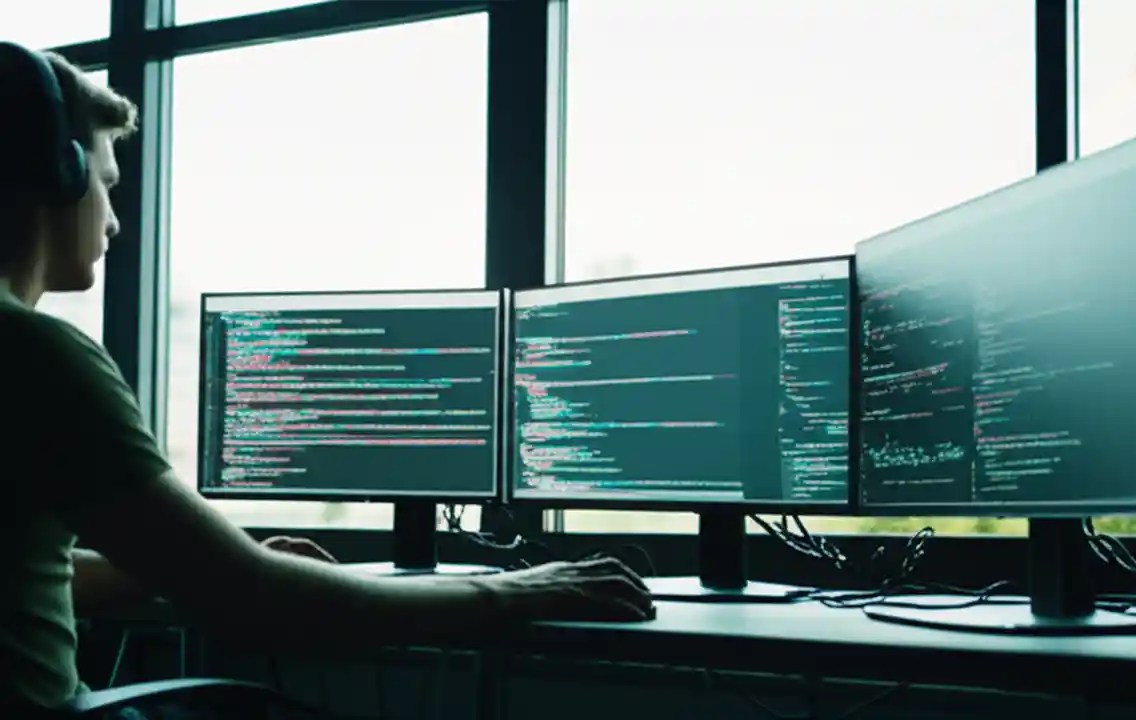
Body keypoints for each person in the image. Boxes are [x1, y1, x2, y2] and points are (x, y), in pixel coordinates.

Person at [0, 42, 654, 716]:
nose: (114, 219)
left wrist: (185, 563)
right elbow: (255, 599)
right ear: (60, 172)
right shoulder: (39, 355)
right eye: (108, 182)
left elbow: (41, 571)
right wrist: (515, 591)